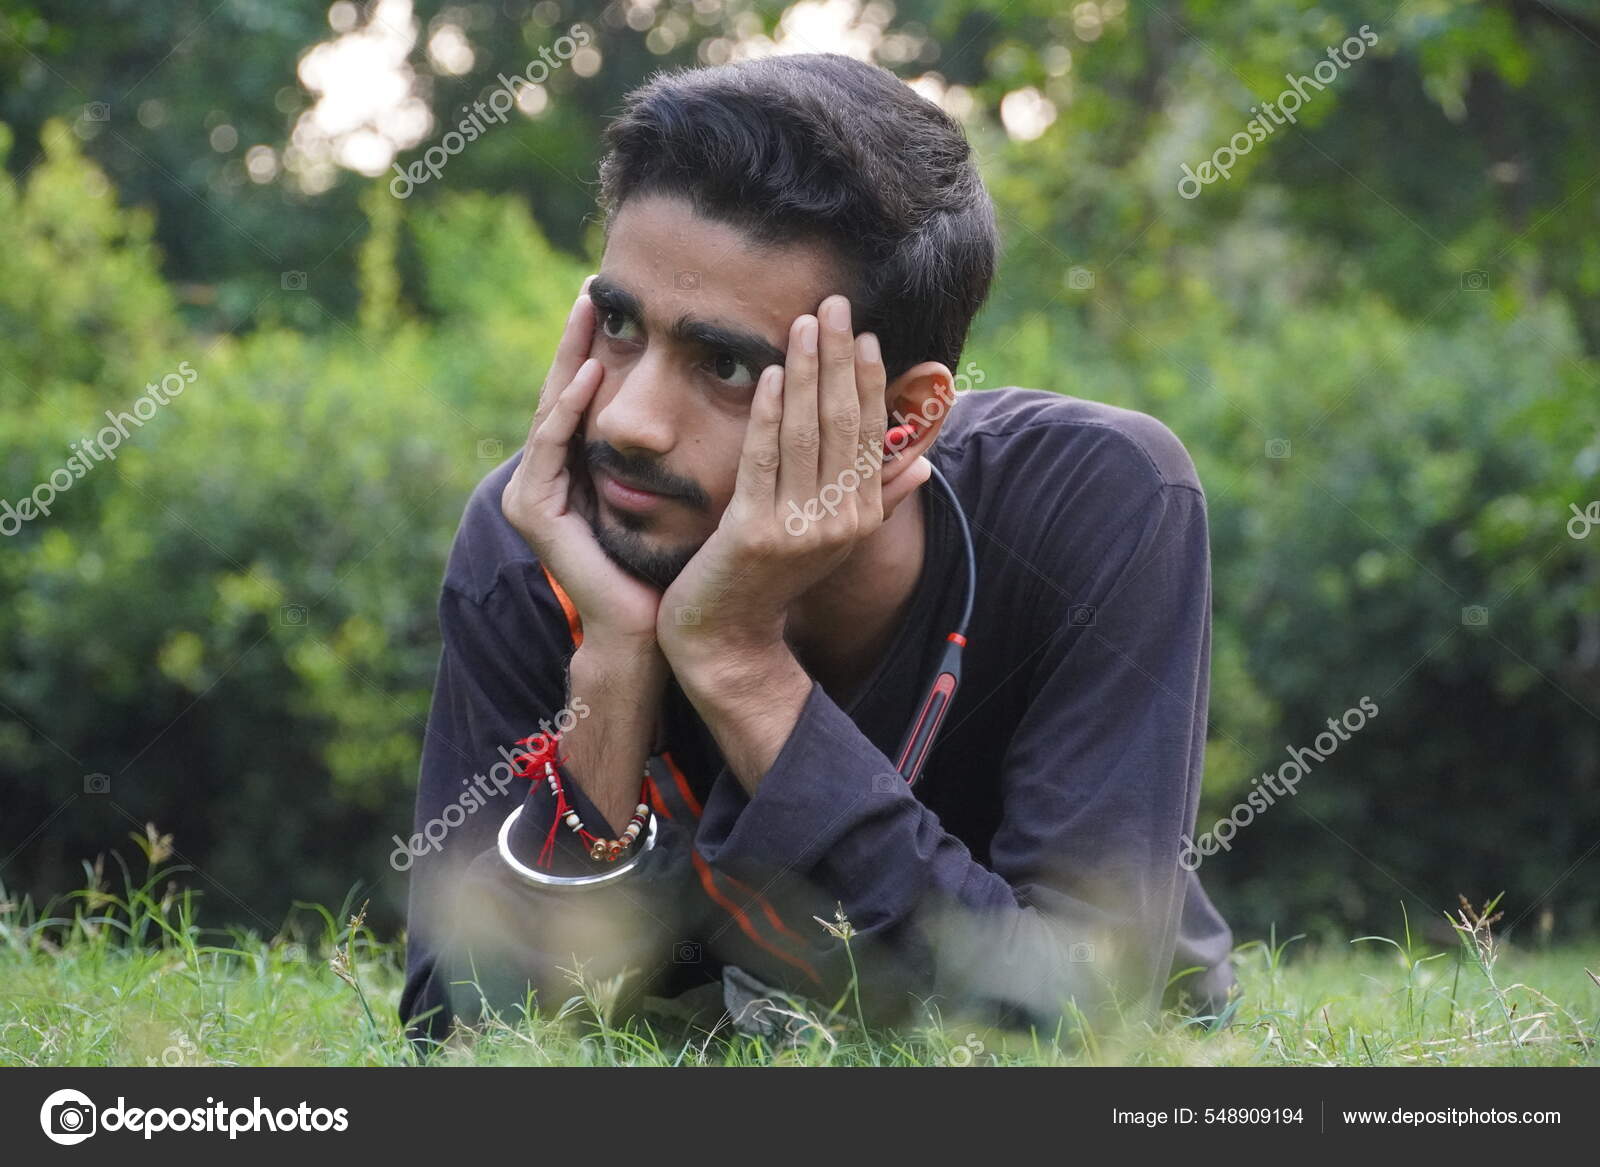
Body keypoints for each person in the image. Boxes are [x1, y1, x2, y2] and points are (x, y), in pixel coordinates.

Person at [399, 52, 1235, 1051]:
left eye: (725, 366)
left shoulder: (1097, 502)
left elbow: (1069, 1020)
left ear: (904, 419)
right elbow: (465, 1035)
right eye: (618, 324)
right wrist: (614, 667)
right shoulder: (545, 534)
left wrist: (736, 659)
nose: (627, 421)